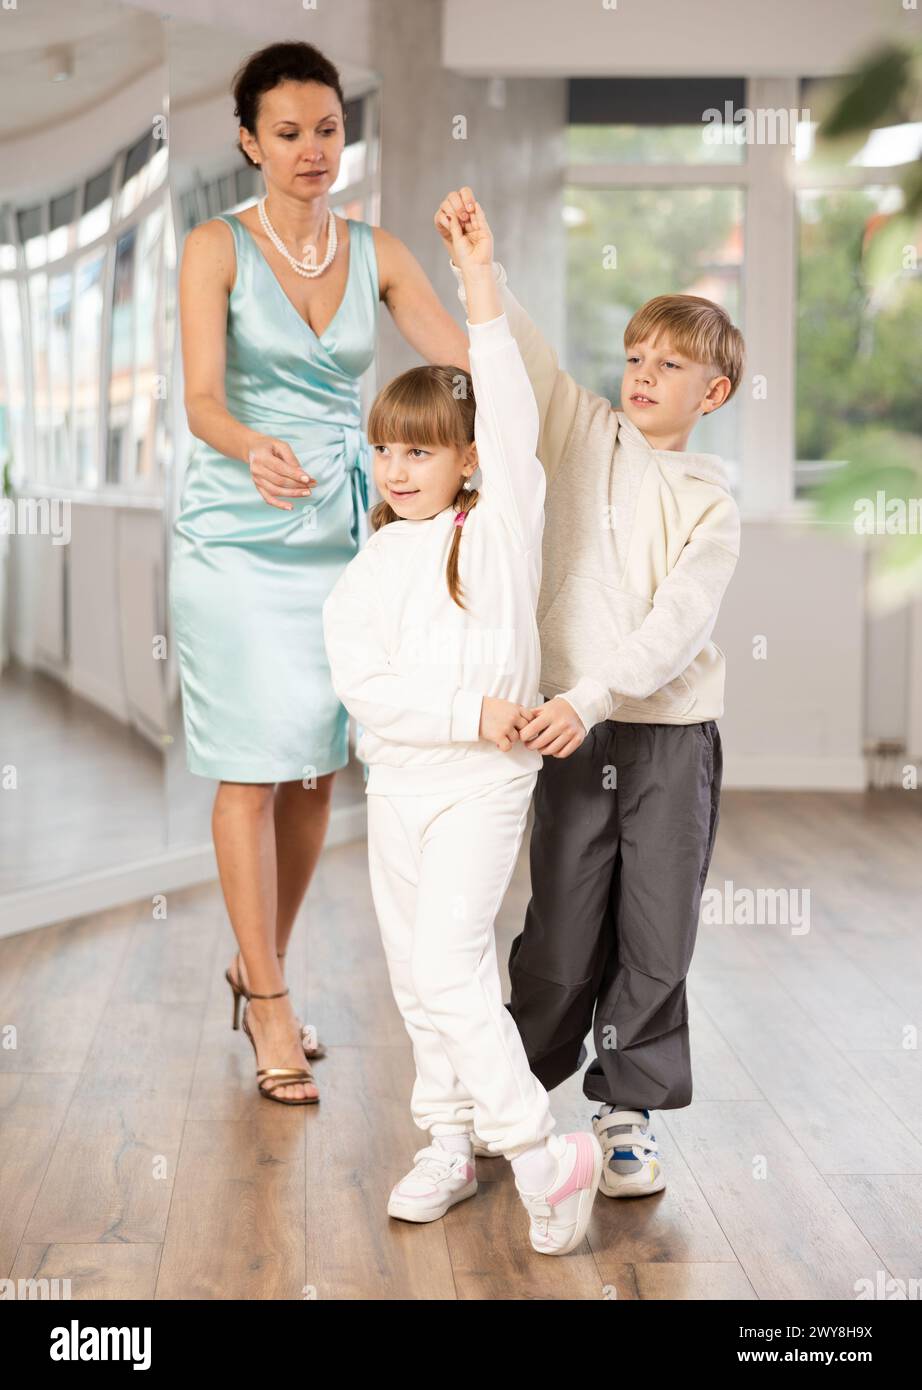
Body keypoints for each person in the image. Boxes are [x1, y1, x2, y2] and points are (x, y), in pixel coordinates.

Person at [169, 41, 470, 1106]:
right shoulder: (213, 247)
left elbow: (460, 358)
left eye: (327, 129)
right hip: (236, 531)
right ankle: (272, 1006)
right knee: (250, 767)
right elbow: (202, 398)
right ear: (248, 140)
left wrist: (486, 292)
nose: (311, 149)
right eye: (287, 132)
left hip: (341, 531)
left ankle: (261, 971)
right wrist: (252, 445)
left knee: (312, 766)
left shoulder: (376, 247)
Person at [435, 186, 743, 1199]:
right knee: (561, 926)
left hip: (667, 736)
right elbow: (519, 350)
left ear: (716, 392)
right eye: (635, 357)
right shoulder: (579, 434)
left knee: (656, 930)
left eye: (672, 364)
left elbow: (676, 626)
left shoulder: (712, 501)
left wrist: (595, 692)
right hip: (569, 735)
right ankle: (513, 1095)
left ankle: (627, 1112)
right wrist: (483, 267)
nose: (645, 375)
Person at [321, 199, 603, 1255]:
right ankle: (446, 1139)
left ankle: (537, 1151)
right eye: (385, 450)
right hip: (395, 785)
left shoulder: (498, 530)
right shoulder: (366, 568)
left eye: (421, 451)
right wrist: (459, 709)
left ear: (468, 461)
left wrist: (478, 275)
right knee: (426, 974)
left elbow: (509, 401)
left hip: (484, 782)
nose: (397, 469)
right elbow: (369, 691)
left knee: (444, 960)